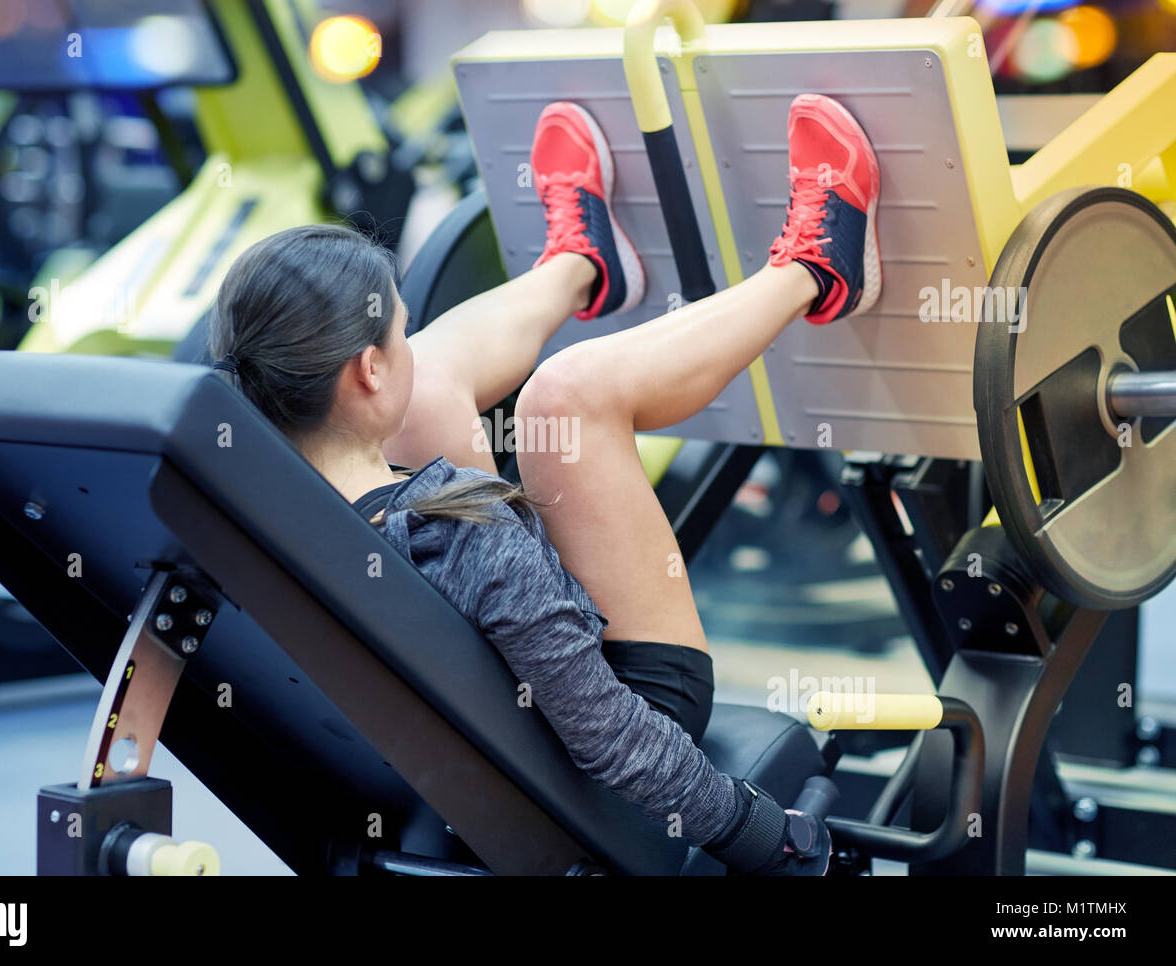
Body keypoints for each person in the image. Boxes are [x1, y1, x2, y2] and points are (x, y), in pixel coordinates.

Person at [207, 93, 881, 874]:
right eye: (399, 335)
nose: (409, 347)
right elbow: (614, 740)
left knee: (431, 397)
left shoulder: (245, 515)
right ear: (365, 371)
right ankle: (817, 268)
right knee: (568, 397)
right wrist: (764, 833)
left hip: (487, 755)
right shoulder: (466, 531)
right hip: (604, 747)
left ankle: (583, 261)